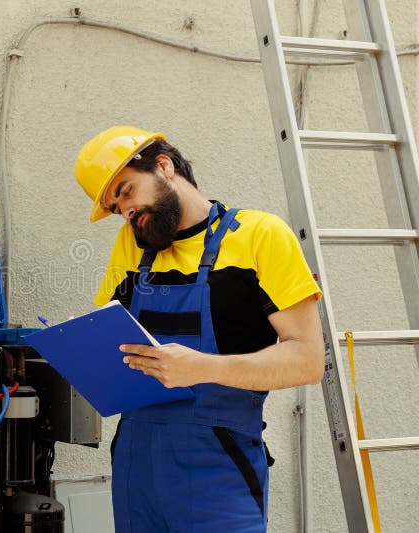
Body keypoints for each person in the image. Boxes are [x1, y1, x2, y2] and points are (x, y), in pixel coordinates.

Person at [74, 126, 325, 532]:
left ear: (164, 166)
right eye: (116, 208)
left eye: (127, 191)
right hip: (136, 467)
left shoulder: (260, 235)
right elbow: (109, 343)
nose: (127, 213)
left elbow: (308, 361)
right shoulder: (131, 247)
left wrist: (203, 368)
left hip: (219, 465)